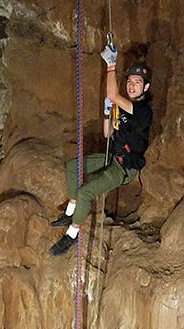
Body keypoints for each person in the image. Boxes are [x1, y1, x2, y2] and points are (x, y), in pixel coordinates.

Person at [49, 42, 153, 256]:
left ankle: (71, 235)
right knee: (73, 167)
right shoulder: (123, 107)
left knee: (85, 192)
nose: (132, 85)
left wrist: (111, 66)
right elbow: (107, 133)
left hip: (123, 168)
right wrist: (107, 113)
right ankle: (70, 213)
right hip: (112, 155)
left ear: (146, 87)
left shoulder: (143, 111)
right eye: (130, 81)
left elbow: (114, 95)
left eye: (138, 82)